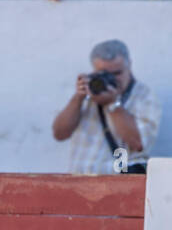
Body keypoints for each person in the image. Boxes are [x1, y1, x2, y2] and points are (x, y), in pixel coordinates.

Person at [52, 39, 160, 175]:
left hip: (118, 186)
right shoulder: (88, 90)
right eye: (103, 74)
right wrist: (78, 98)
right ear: (93, 70)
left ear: (129, 65)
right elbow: (59, 134)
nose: (112, 79)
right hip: (79, 181)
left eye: (117, 73)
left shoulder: (144, 96)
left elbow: (138, 144)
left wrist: (113, 104)